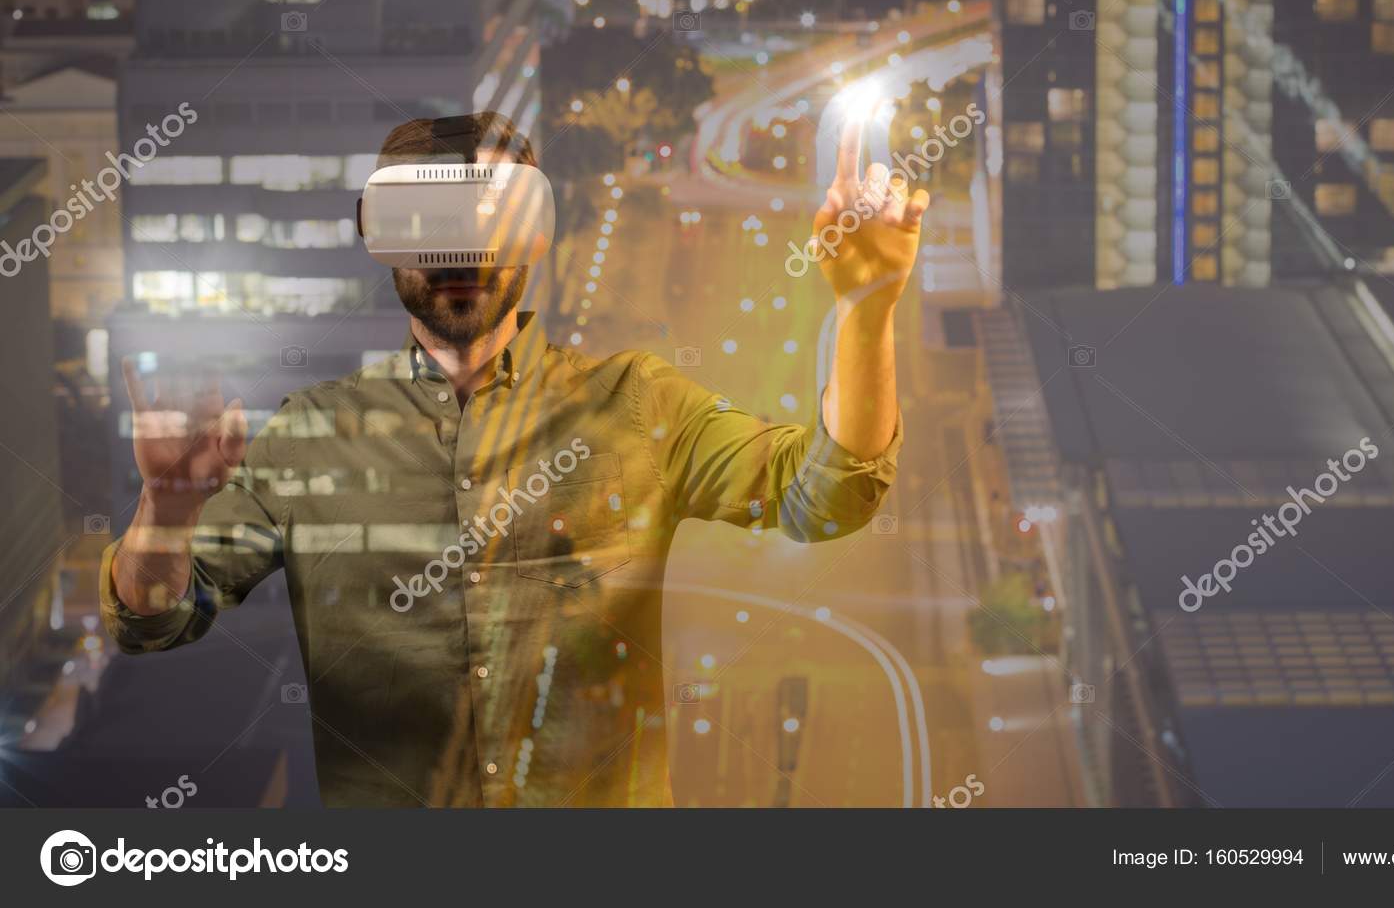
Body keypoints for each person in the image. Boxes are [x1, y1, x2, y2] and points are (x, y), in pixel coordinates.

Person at [101, 110, 928, 807]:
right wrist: (165, 512)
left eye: (489, 218)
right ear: (375, 233)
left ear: (534, 230)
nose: (461, 253)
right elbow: (157, 618)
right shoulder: (307, 438)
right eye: (425, 222)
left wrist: (865, 310)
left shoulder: (640, 403)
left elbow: (826, 498)